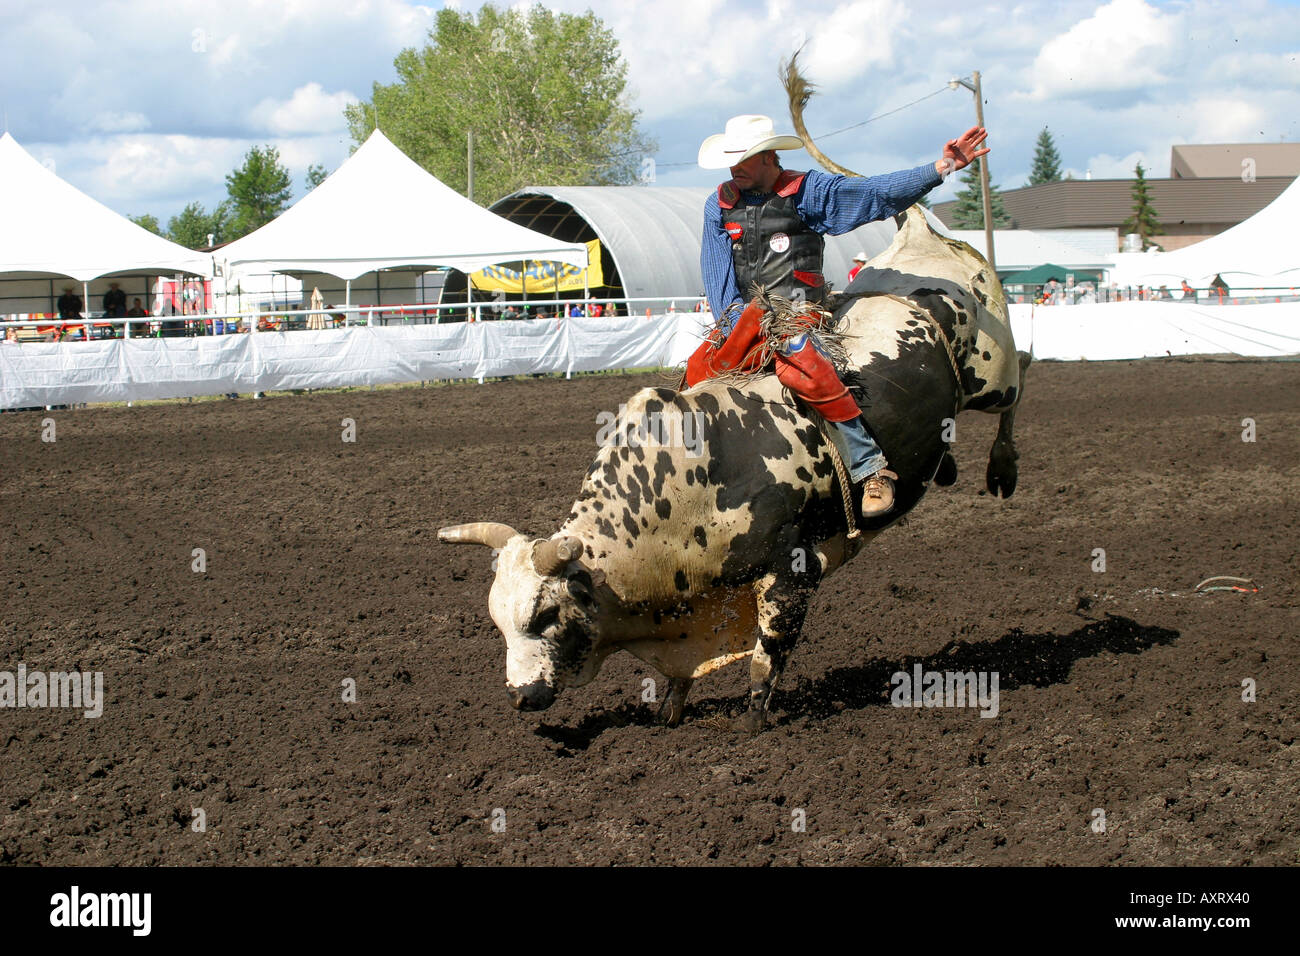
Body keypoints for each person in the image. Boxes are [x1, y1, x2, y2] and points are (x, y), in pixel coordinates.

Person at [695, 113, 988, 516]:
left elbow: (874, 194)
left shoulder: (807, 191)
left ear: (769, 157)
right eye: (732, 159)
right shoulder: (719, 204)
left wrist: (942, 167)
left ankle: (872, 469)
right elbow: (718, 279)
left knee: (809, 366)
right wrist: (734, 331)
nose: (735, 167)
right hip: (743, 320)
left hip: (799, 312)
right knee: (696, 375)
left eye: (744, 158)